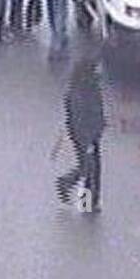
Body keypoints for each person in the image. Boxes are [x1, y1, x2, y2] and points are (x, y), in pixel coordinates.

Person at [55, 51, 106, 213]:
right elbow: (81, 118)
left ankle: (89, 203)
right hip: (86, 135)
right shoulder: (81, 92)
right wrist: (88, 140)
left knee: (90, 169)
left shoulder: (87, 85)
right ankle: (72, 188)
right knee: (89, 170)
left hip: (90, 134)